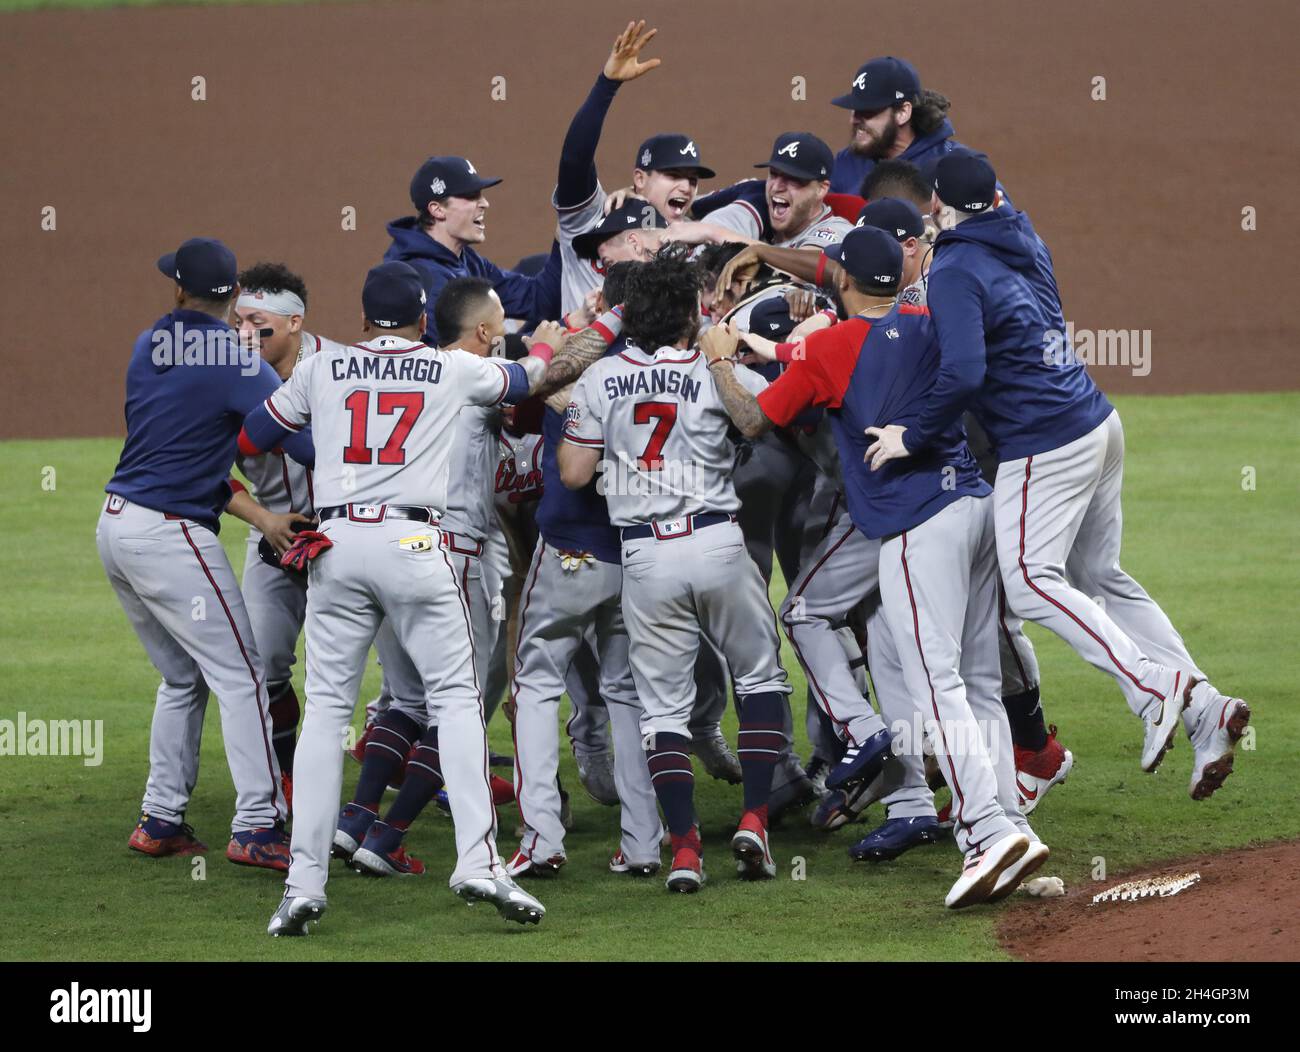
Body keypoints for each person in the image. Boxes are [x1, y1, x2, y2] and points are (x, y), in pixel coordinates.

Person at [864, 151, 1250, 800]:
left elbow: (963, 373)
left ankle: (1156, 686)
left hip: (1045, 441)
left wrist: (911, 433)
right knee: (1102, 577)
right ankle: (1206, 708)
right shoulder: (1022, 232)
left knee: (1030, 582)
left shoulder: (956, 269)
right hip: (1098, 423)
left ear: (939, 208)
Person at [705, 225, 1047, 908]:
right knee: (978, 684)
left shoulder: (831, 348)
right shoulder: (923, 322)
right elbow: (851, 362)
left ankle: (984, 833)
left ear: (838, 277)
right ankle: (1014, 830)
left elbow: (753, 420)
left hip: (921, 527)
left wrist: (721, 358)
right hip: (976, 508)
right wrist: (765, 345)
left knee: (934, 681)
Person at [243, 261, 554, 934]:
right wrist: (565, 337)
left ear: (362, 319)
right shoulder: (449, 367)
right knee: (456, 703)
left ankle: (303, 884)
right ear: (421, 319)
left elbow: (251, 437)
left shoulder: (324, 367)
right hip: (416, 546)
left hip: (338, 548)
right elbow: (529, 378)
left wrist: (329, 453)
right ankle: (476, 860)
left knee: (327, 712)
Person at [558, 247, 793, 893]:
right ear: (692, 313)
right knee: (759, 678)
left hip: (645, 556)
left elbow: (575, 473)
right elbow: (771, 417)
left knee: (662, 710)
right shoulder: (716, 369)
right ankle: (753, 819)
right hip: (720, 543)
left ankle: (685, 852)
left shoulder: (601, 380)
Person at [331, 279, 541, 878]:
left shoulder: (404, 374)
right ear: (482, 333)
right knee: (457, 703)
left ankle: (354, 821)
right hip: (455, 557)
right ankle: (388, 837)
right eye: (498, 325)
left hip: (388, 547)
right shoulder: (470, 381)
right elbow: (531, 382)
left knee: (404, 699)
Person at [98, 238, 295, 870]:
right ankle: (259, 825)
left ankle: (160, 818)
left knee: (182, 677)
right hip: (170, 535)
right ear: (232, 297)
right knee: (242, 676)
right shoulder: (237, 358)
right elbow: (287, 424)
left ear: (179, 290)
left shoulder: (146, 343)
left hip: (115, 528)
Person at [224, 263, 345, 789]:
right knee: (264, 662)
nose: (245, 334)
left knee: (405, 666)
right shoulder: (224, 375)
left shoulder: (344, 366)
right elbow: (202, 474)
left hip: (353, 538)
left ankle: (424, 770)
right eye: (237, 322)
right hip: (272, 538)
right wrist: (264, 518)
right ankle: (288, 774)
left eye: (259, 323)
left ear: (295, 323)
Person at [554, 19, 716, 316]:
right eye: (673, 175)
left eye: (692, 180)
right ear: (639, 178)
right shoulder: (593, 219)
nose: (686, 187)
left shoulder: (692, 241)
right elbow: (574, 160)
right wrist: (607, 85)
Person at [383, 155, 562, 344]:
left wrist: (562, 240)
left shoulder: (464, 258)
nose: (485, 203)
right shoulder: (422, 280)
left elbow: (538, 299)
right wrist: (539, 343)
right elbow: (461, 362)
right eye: (471, 196)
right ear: (437, 210)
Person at [828, 56, 967, 194]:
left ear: (902, 112)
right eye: (855, 110)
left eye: (867, 112)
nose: (854, 120)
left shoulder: (955, 165)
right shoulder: (845, 162)